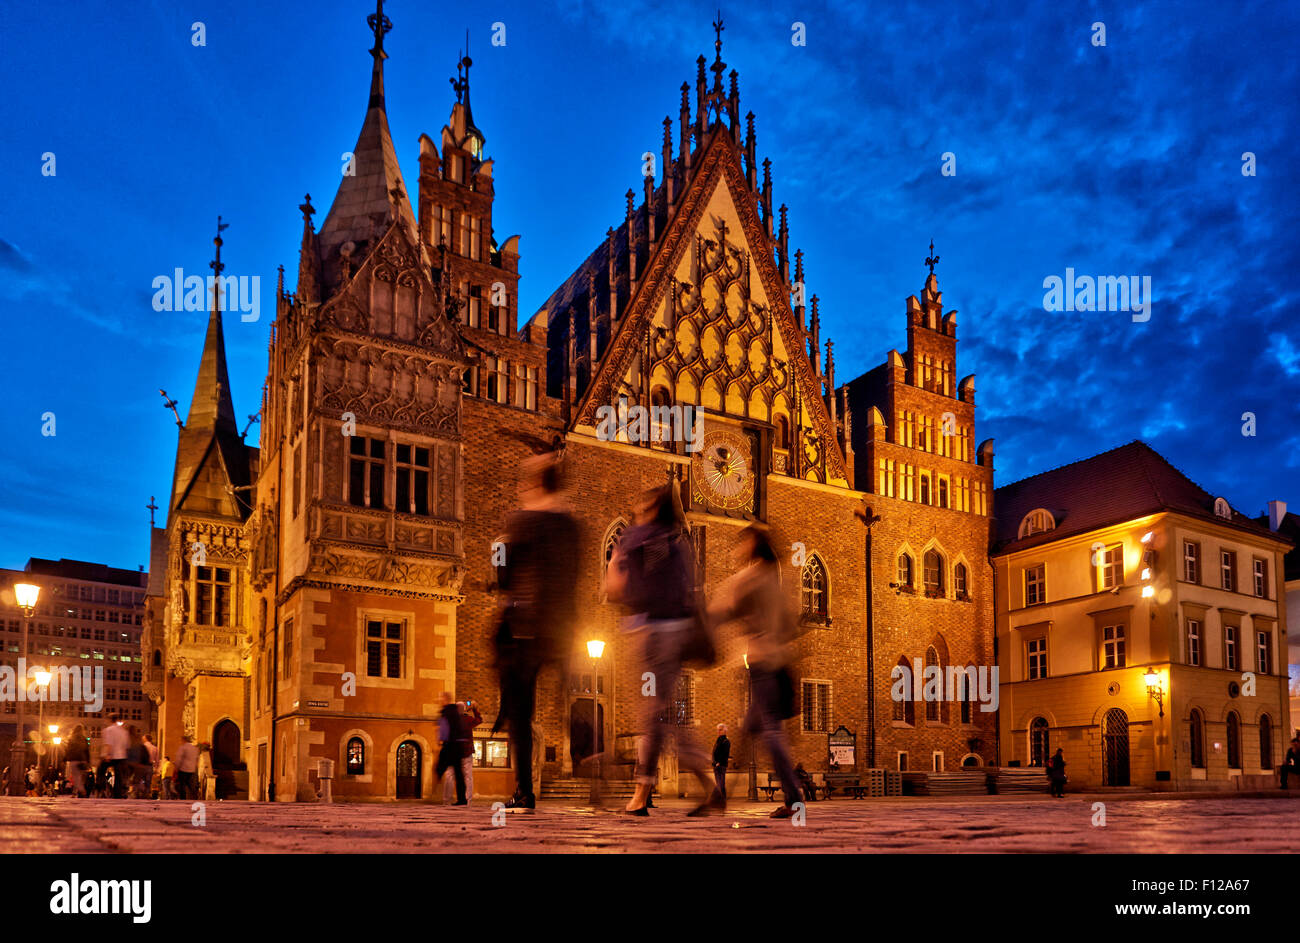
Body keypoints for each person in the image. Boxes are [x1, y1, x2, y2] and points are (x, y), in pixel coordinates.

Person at [608, 483, 719, 817]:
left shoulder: (647, 538)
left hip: (656, 634)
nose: (638, 507)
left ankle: (643, 793)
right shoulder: (677, 541)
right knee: (665, 714)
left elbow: (633, 590)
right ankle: (708, 787)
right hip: (674, 632)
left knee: (654, 712)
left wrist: (615, 564)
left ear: (654, 508)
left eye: (644, 502)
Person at [491, 453, 581, 811]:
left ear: (534, 485)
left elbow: (504, 578)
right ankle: (587, 765)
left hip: (524, 628)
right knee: (565, 699)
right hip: (562, 627)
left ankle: (524, 789)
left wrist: (499, 548)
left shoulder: (521, 522)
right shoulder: (573, 526)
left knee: (520, 711)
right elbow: (575, 577)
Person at [708, 523, 804, 819]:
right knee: (750, 729)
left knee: (770, 731)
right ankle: (720, 796)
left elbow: (721, 611)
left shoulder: (752, 578)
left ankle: (792, 798)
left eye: (741, 543)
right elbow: (790, 625)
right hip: (778, 662)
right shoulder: (776, 581)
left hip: (763, 664)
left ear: (752, 545)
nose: (737, 549)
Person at [445, 699, 482, 803]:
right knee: (468, 776)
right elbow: (479, 720)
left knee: (450, 775)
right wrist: (475, 709)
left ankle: (446, 799)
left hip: (454, 750)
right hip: (466, 750)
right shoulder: (468, 720)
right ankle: (467, 799)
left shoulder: (451, 720)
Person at [436, 693, 468, 805]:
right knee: (459, 773)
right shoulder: (456, 712)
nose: (439, 700)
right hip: (458, 744)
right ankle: (462, 799)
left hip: (450, 744)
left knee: (441, 765)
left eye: (441, 698)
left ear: (445, 699)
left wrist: (440, 739)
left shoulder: (447, 711)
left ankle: (438, 777)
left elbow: (444, 727)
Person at [101, 716, 130, 799]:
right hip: (122, 756)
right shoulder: (124, 731)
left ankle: (103, 789)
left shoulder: (109, 730)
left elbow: (109, 743)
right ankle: (117, 794)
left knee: (101, 771)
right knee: (118, 776)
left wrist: (108, 754)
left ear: (110, 720)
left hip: (112, 755)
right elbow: (126, 745)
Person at [64, 724, 90, 798]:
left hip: (74, 759)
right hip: (83, 759)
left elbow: (68, 750)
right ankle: (78, 791)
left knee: (76, 777)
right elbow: (87, 750)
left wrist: (65, 758)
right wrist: (88, 761)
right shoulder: (84, 739)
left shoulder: (71, 739)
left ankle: (81, 790)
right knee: (81, 777)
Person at [175, 736, 199, 800]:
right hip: (192, 769)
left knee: (182, 784)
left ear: (184, 740)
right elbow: (197, 759)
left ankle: (183, 798)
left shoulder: (183, 748)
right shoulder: (195, 748)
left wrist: (176, 768)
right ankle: (194, 795)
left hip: (183, 768)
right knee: (189, 783)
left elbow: (179, 758)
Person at [712, 724, 731, 802]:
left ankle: (721, 798)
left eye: (720, 730)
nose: (718, 731)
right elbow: (715, 751)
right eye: (718, 730)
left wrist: (719, 762)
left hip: (721, 765)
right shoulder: (718, 740)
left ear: (725, 731)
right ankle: (721, 798)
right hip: (716, 764)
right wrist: (714, 762)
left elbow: (725, 753)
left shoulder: (726, 741)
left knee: (721, 783)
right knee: (718, 782)